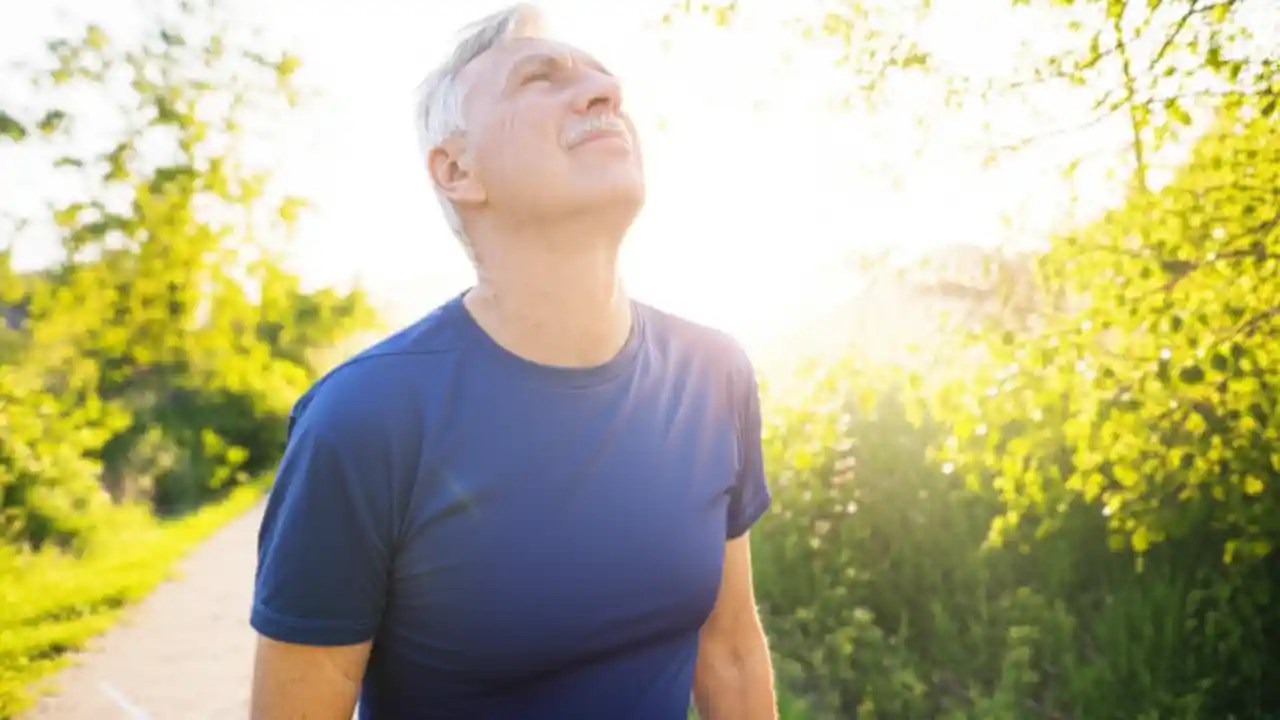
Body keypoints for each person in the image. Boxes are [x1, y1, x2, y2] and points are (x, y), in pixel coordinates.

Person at [248, 4, 776, 718]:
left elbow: (731, 651)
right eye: (539, 78)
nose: (605, 93)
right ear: (457, 168)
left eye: (602, 78)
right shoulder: (362, 420)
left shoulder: (713, 375)